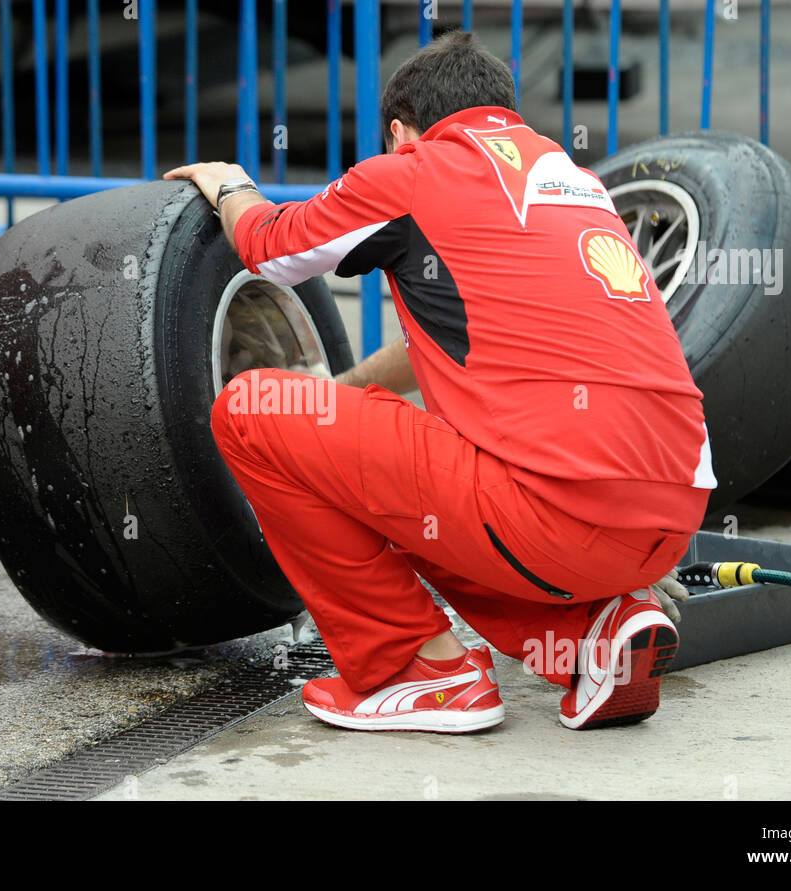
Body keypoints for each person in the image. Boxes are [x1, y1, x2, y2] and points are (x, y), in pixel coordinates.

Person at [163, 30, 714, 733]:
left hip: (557, 517)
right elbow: (463, 337)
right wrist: (346, 395)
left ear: (401, 132)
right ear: (505, 110)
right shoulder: (576, 181)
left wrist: (231, 183)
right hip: (671, 517)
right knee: (421, 468)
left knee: (253, 407)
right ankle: (597, 633)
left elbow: (272, 246)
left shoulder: (414, 172)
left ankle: (418, 671)